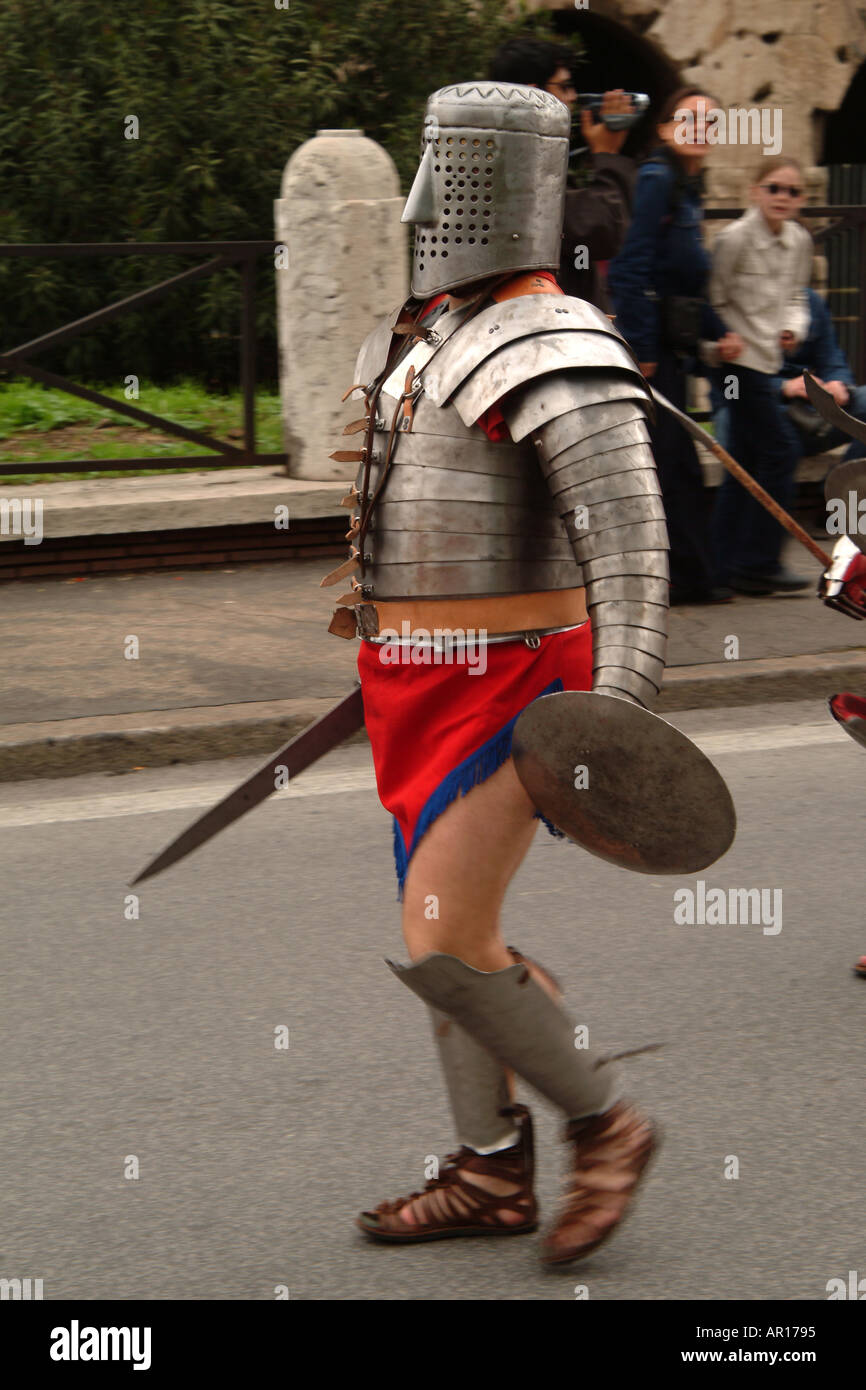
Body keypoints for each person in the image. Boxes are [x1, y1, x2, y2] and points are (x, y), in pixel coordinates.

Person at [322, 81, 669, 1265]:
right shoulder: (423, 335)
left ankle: (607, 1123)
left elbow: (627, 545)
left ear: (503, 182)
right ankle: (487, 1169)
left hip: (512, 687)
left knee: (438, 932)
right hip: (412, 681)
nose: (427, 197)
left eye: (450, 169)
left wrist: (614, 721)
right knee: (452, 937)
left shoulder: (552, 333)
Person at [608, 88, 743, 605]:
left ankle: (693, 574)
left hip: (672, 347)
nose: (700, 129)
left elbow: (683, 278)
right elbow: (631, 267)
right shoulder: (658, 180)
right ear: (664, 130)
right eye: (689, 120)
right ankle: (687, 579)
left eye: (711, 122)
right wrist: (641, 349)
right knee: (672, 461)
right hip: (653, 351)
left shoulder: (685, 188)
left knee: (674, 461)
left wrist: (716, 329)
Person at [709, 156, 814, 594]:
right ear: (755, 191)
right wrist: (716, 342)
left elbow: (796, 296)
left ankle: (723, 564)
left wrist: (793, 328)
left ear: (802, 199)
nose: (782, 198)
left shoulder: (800, 241)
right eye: (774, 188)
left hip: (768, 360)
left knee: (746, 463)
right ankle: (759, 561)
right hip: (737, 365)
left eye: (792, 191)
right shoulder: (734, 239)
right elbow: (713, 298)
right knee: (781, 452)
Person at [488, 37, 638, 308]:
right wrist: (608, 154)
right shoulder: (520, 166)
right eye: (565, 87)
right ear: (536, 94)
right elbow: (601, 230)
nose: (572, 98)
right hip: (542, 328)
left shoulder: (515, 154)